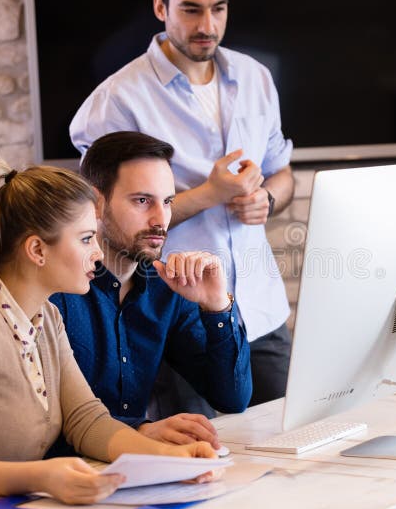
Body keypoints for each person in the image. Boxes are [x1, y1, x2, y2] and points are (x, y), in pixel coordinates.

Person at [0, 160, 217, 509]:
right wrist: (41, 477)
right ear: (38, 250)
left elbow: (87, 420)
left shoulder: (47, 317)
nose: (99, 253)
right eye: (87, 239)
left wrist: (170, 457)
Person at [70, 0, 295, 411]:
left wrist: (266, 197)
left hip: (261, 306)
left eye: (219, 9)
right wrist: (212, 193)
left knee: (295, 442)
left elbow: (282, 172)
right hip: (177, 314)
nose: (207, 25)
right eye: (191, 10)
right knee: (202, 456)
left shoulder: (256, 78)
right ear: (160, 7)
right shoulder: (117, 100)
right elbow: (102, 215)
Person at [50, 131, 250, 451]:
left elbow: (233, 398)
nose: (161, 220)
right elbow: (40, 422)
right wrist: (139, 431)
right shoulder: (55, 291)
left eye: (167, 201)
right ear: (96, 204)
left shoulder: (166, 289)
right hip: (65, 478)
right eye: (142, 201)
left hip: (139, 469)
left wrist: (217, 307)